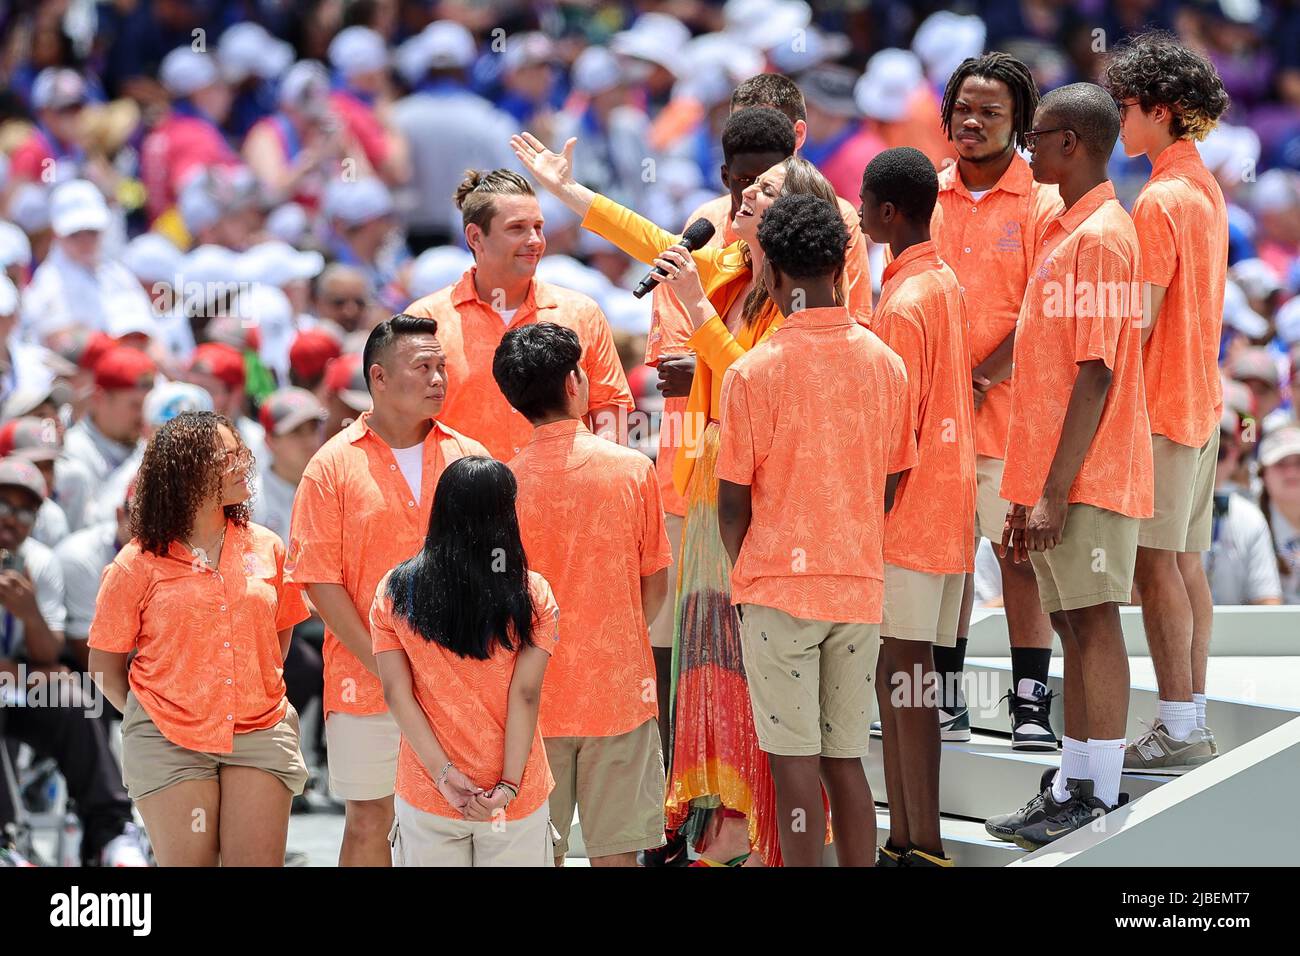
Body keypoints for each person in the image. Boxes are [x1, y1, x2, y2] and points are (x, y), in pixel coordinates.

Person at [512, 108, 847, 866]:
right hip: (709, 494)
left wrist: (696, 317)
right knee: (711, 665)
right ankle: (726, 820)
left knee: (752, 668)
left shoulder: (802, 301)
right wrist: (570, 194)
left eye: (762, 190)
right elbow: (644, 237)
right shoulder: (729, 266)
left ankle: (762, 833)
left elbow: (752, 387)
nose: (742, 199)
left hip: (762, 507)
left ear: (794, 209)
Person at [715, 192, 915, 866]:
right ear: (841, 262)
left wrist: (749, 568)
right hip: (857, 585)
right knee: (845, 762)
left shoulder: (752, 371)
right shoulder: (887, 364)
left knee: (794, 767)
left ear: (770, 274)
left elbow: (732, 501)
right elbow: (892, 480)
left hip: (777, 591)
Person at [985, 83, 1153, 850]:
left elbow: (1098, 373)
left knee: (1092, 624)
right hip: (1053, 472)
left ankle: (1099, 790)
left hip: (1086, 474)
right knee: (1072, 627)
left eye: (1037, 136)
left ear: (1073, 144)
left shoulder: (1105, 237)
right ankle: (1076, 781)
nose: (1028, 149)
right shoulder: (1067, 225)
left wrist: (1052, 490)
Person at [286, 314, 488, 866]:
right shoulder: (331, 465)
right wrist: (384, 662)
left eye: (441, 366)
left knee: (454, 823)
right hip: (364, 679)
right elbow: (320, 581)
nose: (438, 379)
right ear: (377, 377)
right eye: (422, 367)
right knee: (371, 819)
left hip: (461, 678)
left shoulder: (471, 457)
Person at [87, 412, 311, 866]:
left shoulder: (267, 546)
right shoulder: (137, 562)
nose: (243, 464)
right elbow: (103, 665)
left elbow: (279, 635)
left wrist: (252, 685)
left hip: (261, 729)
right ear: (187, 470)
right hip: (169, 740)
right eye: (228, 457)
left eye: (242, 453)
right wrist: (156, 712)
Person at [493, 323, 672, 866]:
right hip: (619, 691)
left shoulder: (502, 483)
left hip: (527, 697)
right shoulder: (633, 470)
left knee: (532, 852)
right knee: (617, 854)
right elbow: (656, 582)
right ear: (575, 383)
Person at [1104, 32, 1231, 773]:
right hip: (1201, 403)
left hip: (1159, 407)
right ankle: (1190, 719)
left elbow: (1139, 319)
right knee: (1184, 567)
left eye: (1127, 106)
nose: (1120, 118)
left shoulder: (1159, 198)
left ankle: (1179, 727)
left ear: (1163, 110)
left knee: (1159, 571)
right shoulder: (1204, 185)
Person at [931, 52, 1063, 750]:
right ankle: (946, 699)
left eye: (990, 112)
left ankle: (1031, 706)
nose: (972, 122)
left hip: (1013, 418)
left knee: (1017, 559)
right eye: (963, 109)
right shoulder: (926, 193)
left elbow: (1045, 309)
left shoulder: (1044, 199)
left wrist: (981, 373)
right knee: (945, 560)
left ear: (1020, 123)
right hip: (936, 424)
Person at [858, 147, 975, 868]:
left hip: (907, 515)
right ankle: (907, 838)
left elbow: (893, 441)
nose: (861, 213)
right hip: (946, 507)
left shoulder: (903, 303)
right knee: (905, 680)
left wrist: (865, 518)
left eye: (866, 203)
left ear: (887, 212)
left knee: (903, 683)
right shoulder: (941, 279)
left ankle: (919, 845)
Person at [371, 456, 558, 866]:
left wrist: (444, 776)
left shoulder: (394, 591)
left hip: (428, 790)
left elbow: (396, 693)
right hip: (515, 795)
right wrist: (506, 787)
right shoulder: (533, 594)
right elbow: (525, 695)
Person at [403, 169, 633, 462]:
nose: (535, 240)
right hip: (464, 503)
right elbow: (408, 426)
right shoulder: (427, 321)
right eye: (517, 228)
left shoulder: (582, 313)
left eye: (538, 226)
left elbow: (610, 416)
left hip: (563, 501)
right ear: (476, 237)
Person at [1204, 409, 1283, 605]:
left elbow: (1267, 601)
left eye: (1219, 452)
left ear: (1235, 458)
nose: (1207, 461)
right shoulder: (1159, 509)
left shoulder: (1249, 517)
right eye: (1201, 449)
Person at [61, 346, 155, 486]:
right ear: (99, 398)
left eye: (147, 405)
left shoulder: (143, 443)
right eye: (135, 405)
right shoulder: (73, 451)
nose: (142, 415)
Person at [1258, 425, 1300, 604]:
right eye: (1280, 464)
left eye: (1299, 463)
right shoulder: (1247, 524)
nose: (1291, 473)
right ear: (1263, 474)